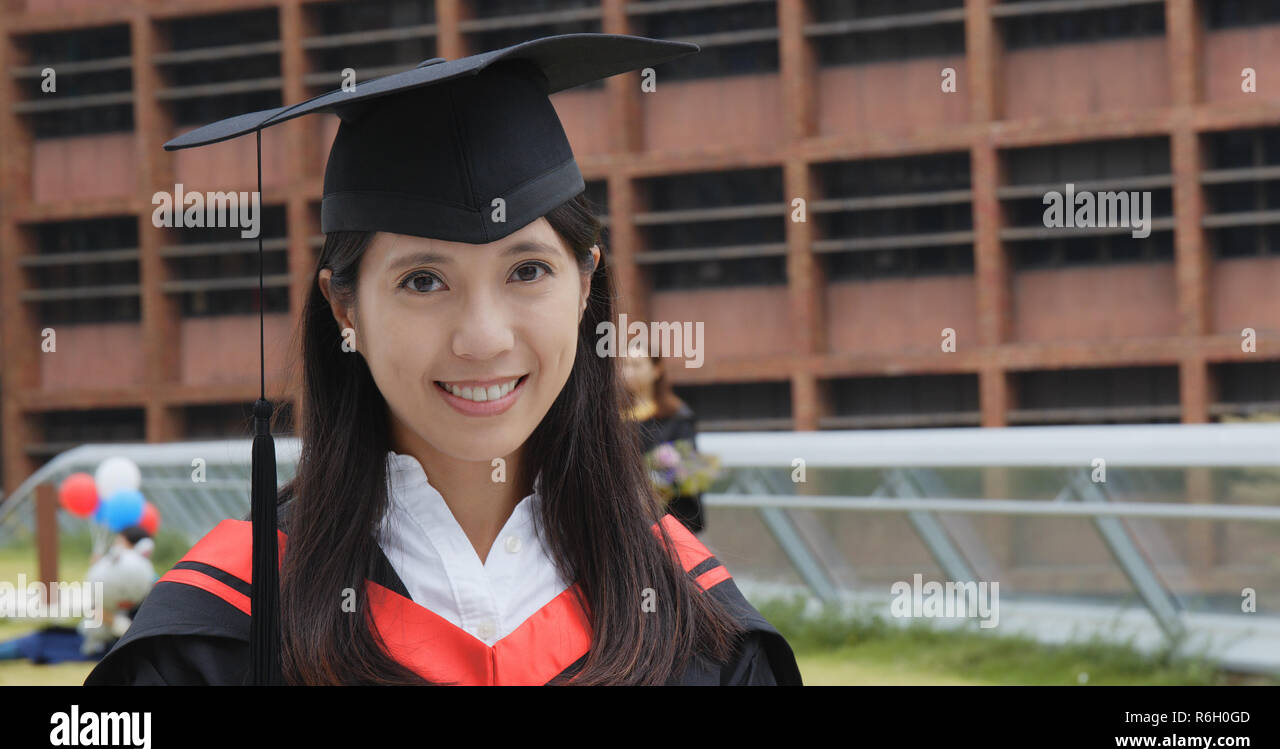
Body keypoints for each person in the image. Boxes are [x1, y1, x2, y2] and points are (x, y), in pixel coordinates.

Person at [84, 34, 801, 686]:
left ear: (585, 284)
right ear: (345, 308)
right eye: (422, 281)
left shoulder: (701, 629)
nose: (482, 337)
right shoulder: (218, 635)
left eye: (527, 270)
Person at [0, 526, 155, 664]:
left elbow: (137, 631)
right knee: (45, 634)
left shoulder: (146, 584)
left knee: (38, 642)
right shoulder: (124, 574)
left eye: (120, 542)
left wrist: (109, 618)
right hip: (91, 636)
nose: (115, 546)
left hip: (102, 645)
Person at [623, 343, 708, 534]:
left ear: (656, 370)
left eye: (636, 365)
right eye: (625, 365)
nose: (628, 372)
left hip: (665, 519)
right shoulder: (612, 417)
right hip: (624, 520)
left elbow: (690, 470)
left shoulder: (676, 417)